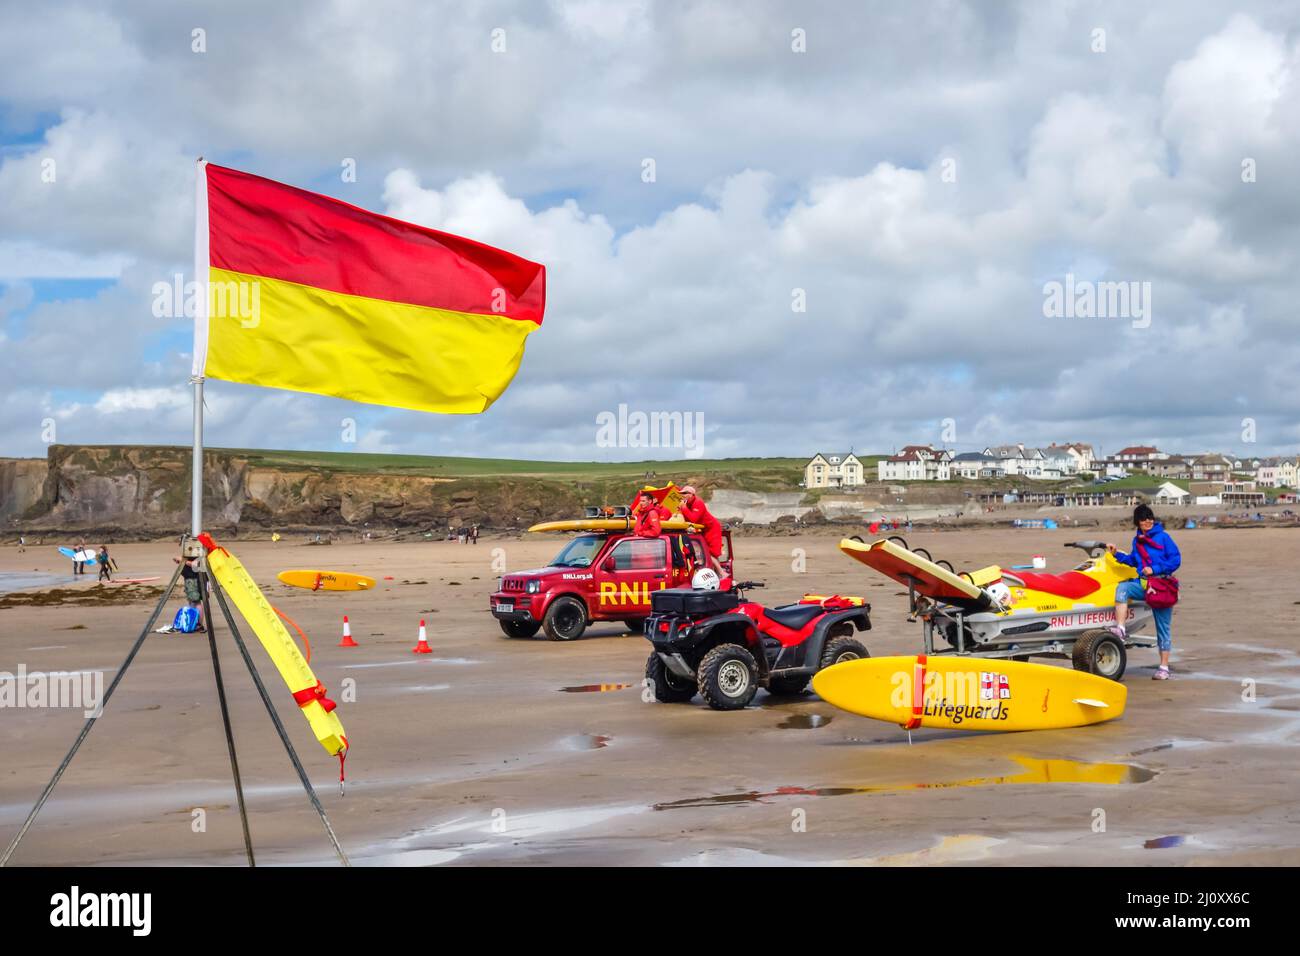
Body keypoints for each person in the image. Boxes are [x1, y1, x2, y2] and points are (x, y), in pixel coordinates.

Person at [1106, 504, 1180, 680]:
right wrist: (1116, 554)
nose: (1147, 521)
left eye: (1150, 517)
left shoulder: (1164, 537)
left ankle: (1163, 667)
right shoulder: (1137, 540)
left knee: (1163, 627)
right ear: (1137, 522)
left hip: (1161, 586)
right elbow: (1133, 560)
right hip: (1143, 586)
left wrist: (1154, 569)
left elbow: (1176, 560)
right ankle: (1121, 628)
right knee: (1122, 588)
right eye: (1143, 518)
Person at [678, 486, 723, 571]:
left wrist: (683, 508)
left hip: (712, 528)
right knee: (705, 551)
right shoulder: (686, 503)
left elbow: (693, 519)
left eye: (685, 493)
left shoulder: (698, 502)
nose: (682, 495)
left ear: (692, 494)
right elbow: (686, 519)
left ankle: (721, 573)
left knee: (711, 552)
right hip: (704, 529)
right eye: (681, 493)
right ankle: (716, 571)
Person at [172, 553, 205, 631]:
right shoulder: (193, 552)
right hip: (190, 578)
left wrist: (183, 561)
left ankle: (199, 624)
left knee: (196, 601)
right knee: (192, 601)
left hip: (193, 579)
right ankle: (193, 622)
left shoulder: (198, 552)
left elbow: (196, 565)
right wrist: (181, 561)